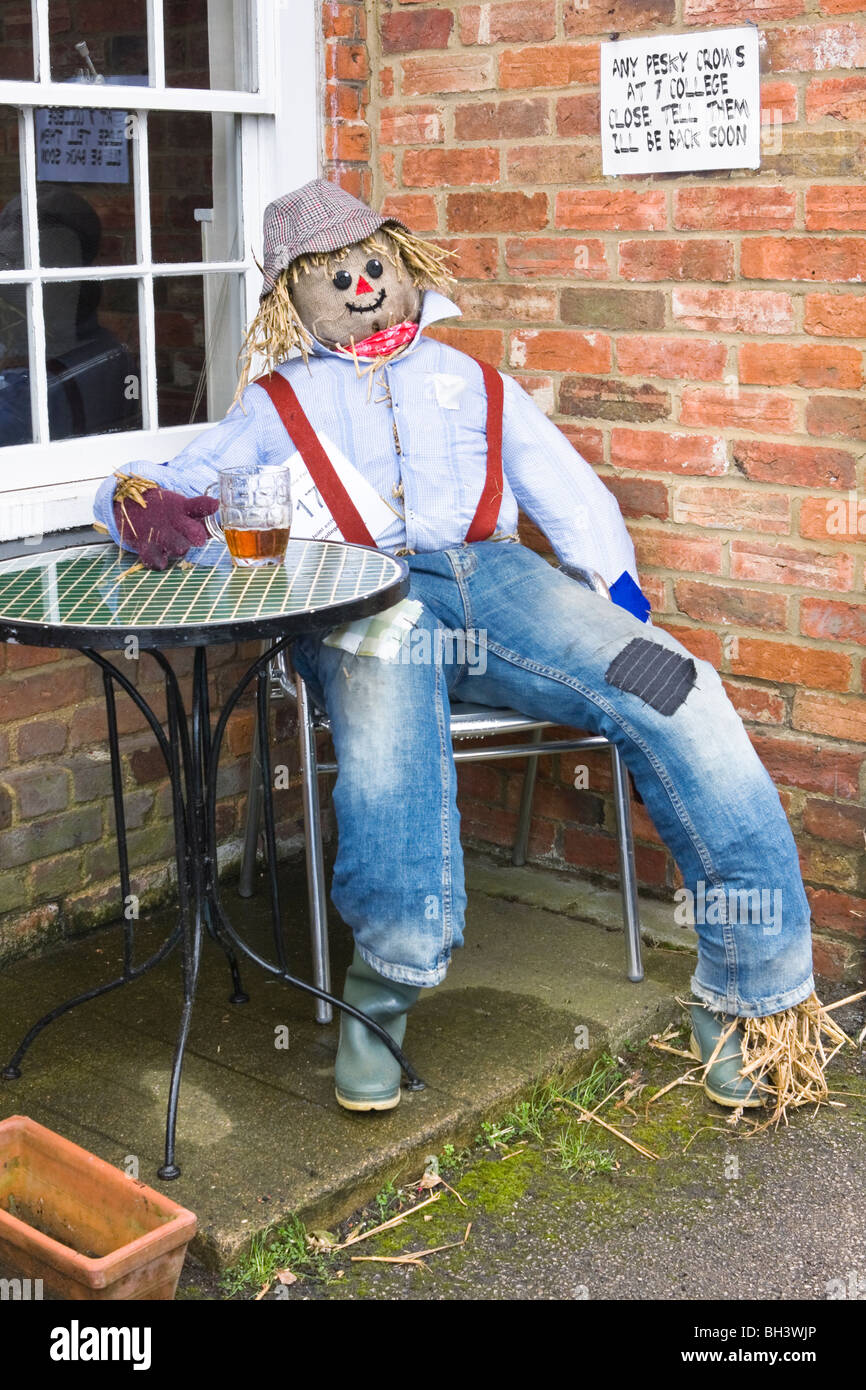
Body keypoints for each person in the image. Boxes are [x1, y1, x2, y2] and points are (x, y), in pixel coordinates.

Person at [94, 179, 835, 1123]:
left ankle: (754, 998)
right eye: (333, 279)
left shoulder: (474, 379)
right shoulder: (277, 402)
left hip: (502, 584)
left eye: (373, 267)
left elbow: (568, 492)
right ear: (292, 296)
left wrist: (621, 603)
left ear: (404, 265)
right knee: (393, 716)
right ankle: (385, 989)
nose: (360, 288)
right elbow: (168, 481)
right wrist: (137, 507)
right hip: (360, 596)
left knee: (678, 686)